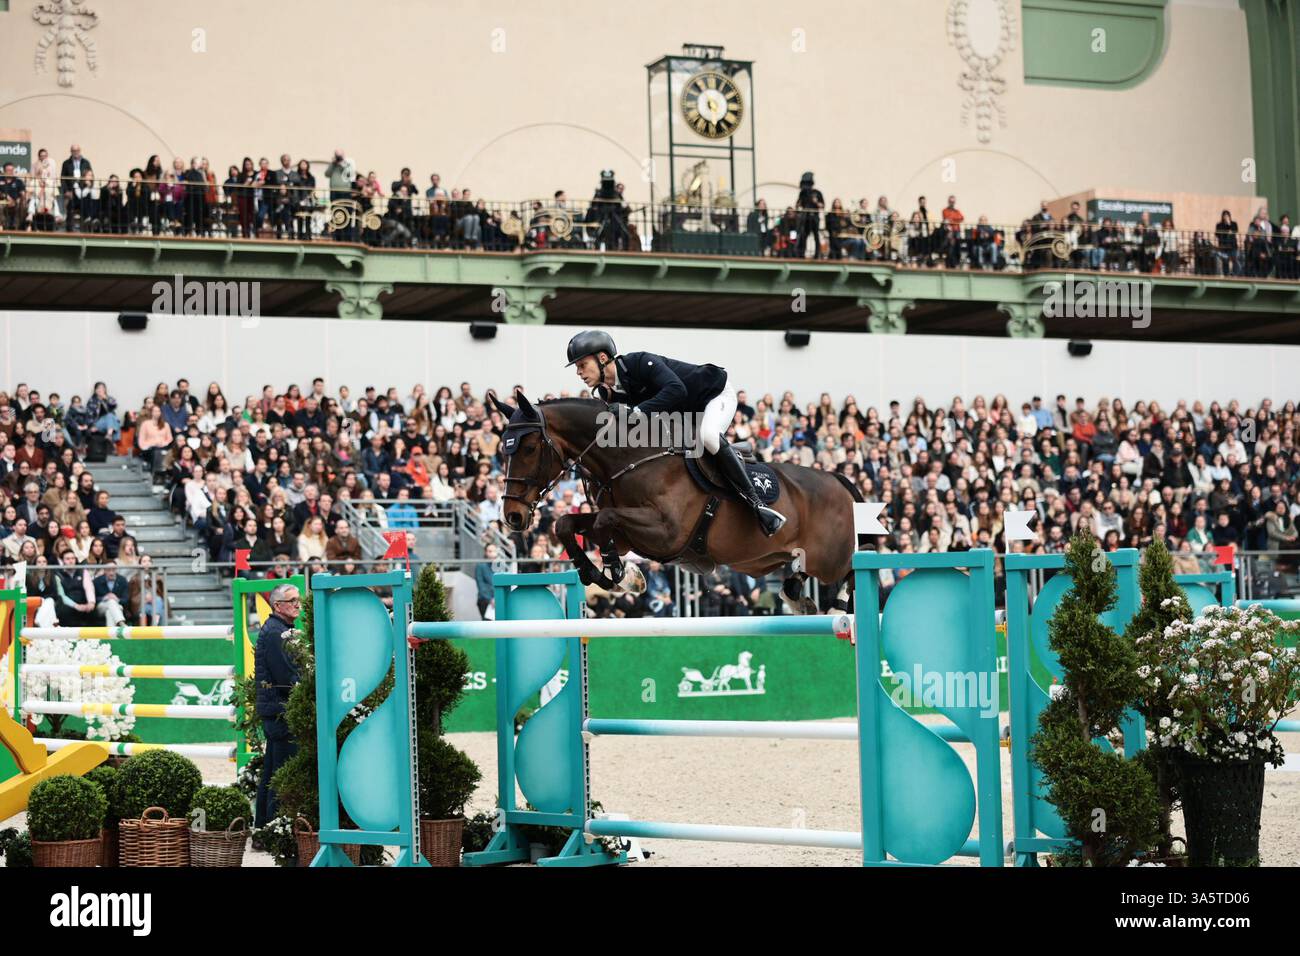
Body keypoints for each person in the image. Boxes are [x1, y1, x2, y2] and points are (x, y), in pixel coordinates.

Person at [565, 330, 785, 535]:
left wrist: (635, 411)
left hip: (714, 395)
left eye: (582, 364)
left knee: (707, 436)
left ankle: (757, 505)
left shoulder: (639, 363)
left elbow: (676, 389)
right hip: (685, 414)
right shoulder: (609, 392)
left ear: (602, 358)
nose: (579, 372)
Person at [253, 582, 302, 828]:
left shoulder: (280, 628)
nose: (297, 604)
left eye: (298, 599)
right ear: (278, 605)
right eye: (292, 600)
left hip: (275, 709)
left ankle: (264, 827)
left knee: (272, 774)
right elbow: (287, 675)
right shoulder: (276, 632)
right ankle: (273, 827)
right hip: (281, 711)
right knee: (282, 774)